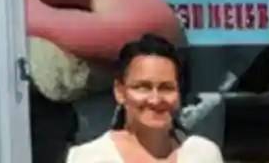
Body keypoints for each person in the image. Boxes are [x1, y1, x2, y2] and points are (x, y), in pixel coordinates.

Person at [66, 34, 223, 163]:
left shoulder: (203, 154)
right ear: (120, 92)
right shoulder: (89, 158)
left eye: (166, 87)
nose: (155, 100)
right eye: (143, 87)